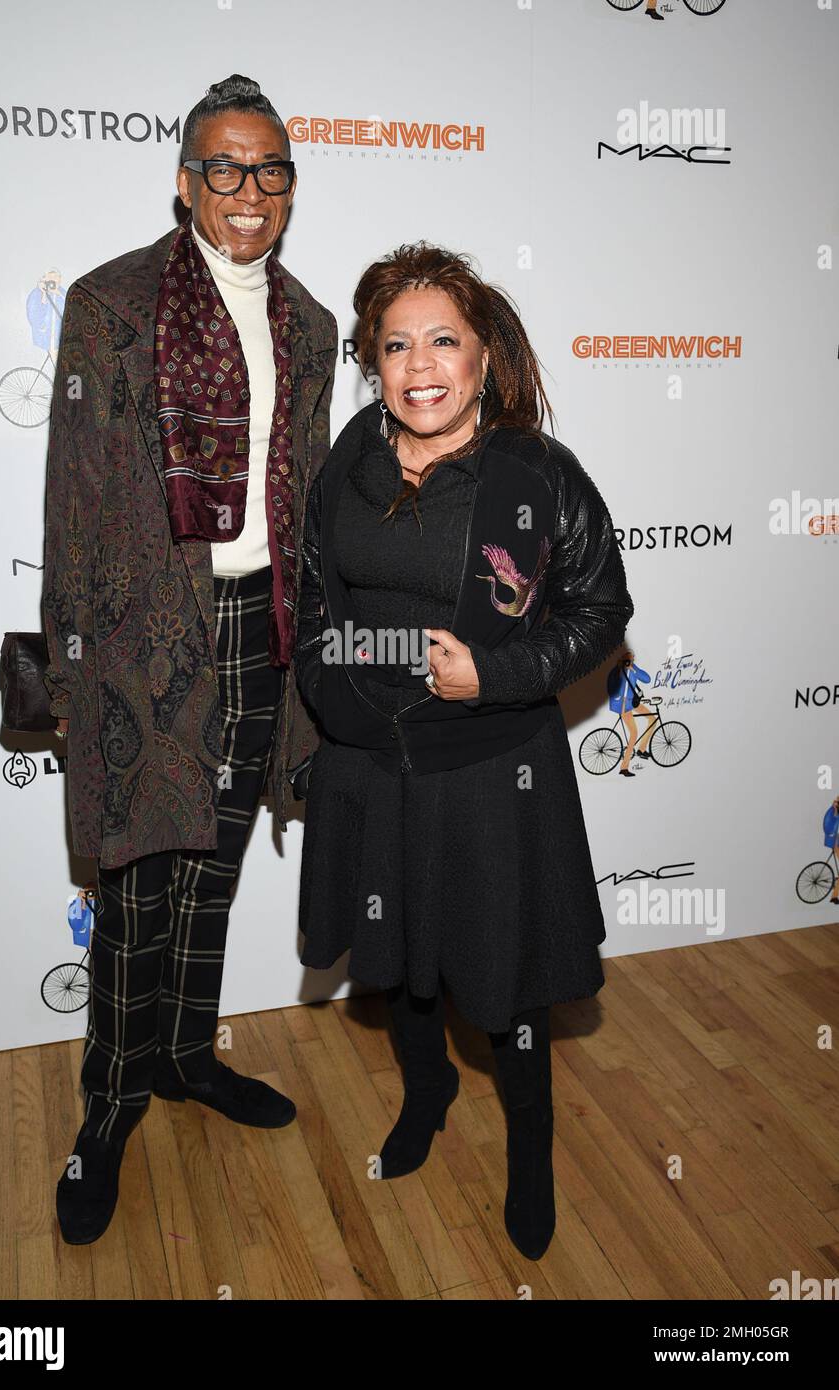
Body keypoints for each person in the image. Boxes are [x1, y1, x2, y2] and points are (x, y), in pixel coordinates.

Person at [293, 243, 634, 1261]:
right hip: (372, 764)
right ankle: (427, 1091)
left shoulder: (533, 474)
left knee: (506, 979)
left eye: (443, 339)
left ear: (485, 355)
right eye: (394, 345)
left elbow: (598, 609)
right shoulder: (350, 455)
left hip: (494, 773)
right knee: (399, 968)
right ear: (372, 360)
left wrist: (492, 674)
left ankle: (528, 1149)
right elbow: (315, 598)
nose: (419, 365)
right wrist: (344, 676)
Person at [41, 74, 337, 1245]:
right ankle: (107, 1106)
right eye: (223, 167)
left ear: (288, 186)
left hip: (259, 623)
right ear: (185, 181)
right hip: (143, 629)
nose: (247, 190)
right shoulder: (110, 307)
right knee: (137, 880)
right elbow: (72, 493)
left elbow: (309, 490)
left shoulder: (308, 324)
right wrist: (72, 663)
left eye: (269, 169)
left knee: (213, 865)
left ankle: (183, 1058)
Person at [607, 652, 655, 775]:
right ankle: (624, 768)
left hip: (632, 703)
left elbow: (647, 679)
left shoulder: (632, 667)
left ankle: (642, 749)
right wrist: (622, 707)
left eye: (633, 657)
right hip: (623, 706)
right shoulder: (619, 671)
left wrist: (633, 669)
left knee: (652, 719)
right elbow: (623, 691)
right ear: (625, 659)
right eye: (631, 657)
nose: (633, 658)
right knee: (634, 733)